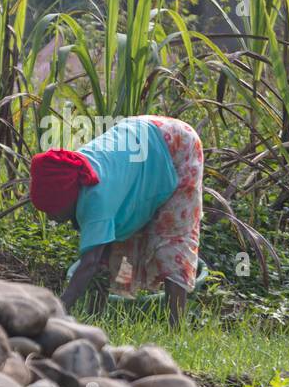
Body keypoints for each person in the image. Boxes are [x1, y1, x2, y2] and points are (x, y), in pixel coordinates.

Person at [29, 115, 204, 325]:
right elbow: (97, 255)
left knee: (172, 241)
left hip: (177, 144)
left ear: (67, 197)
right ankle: (99, 316)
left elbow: (89, 264)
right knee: (115, 245)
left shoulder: (96, 197)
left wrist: (56, 313)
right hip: (141, 134)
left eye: (53, 211)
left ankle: (176, 328)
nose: (53, 219)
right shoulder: (73, 171)